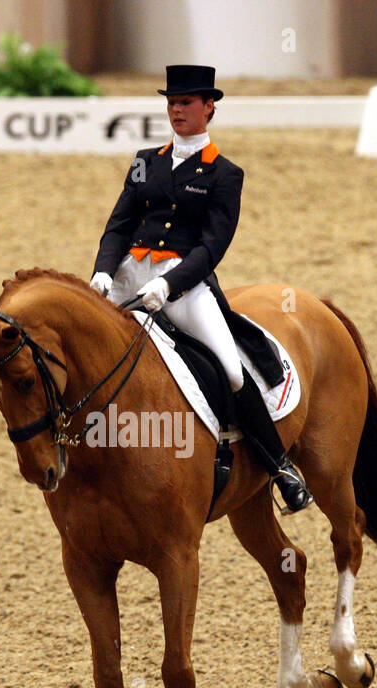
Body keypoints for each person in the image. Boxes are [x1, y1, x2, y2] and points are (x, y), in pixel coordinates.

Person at [90, 64, 311, 512]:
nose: (176, 110)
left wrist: (170, 285)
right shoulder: (143, 161)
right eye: (171, 102)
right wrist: (103, 272)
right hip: (130, 276)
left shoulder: (225, 174)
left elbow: (212, 246)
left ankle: (280, 467)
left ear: (209, 107)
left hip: (185, 287)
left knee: (231, 370)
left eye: (186, 102)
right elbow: (119, 225)